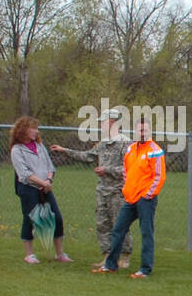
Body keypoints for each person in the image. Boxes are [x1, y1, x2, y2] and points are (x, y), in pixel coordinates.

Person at [50, 107, 133, 268]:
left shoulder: (126, 143)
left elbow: (128, 169)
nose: (101, 125)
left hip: (118, 191)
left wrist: (106, 170)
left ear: (112, 122)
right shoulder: (103, 144)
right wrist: (64, 151)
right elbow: (87, 156)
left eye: (103, 122)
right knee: (102, 223)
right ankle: (107, 256)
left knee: (120, 224)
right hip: (102, 191)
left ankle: (124, 257)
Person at [92, 118, 166, 278]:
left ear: (150, 131)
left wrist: (147, 194)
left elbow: (159, 177)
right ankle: (110, 265)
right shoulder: (131, 149)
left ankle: (145, 270)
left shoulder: (155, 150)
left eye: (145, 130)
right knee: (118, 230)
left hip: (146, 199)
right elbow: (126, 171)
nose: (142, 133)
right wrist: (127, 189)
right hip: (130, 198)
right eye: (139, 130)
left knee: (146, 233)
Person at [9, 116, 72, 264]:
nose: (36, 131)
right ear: (24, 130)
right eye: (33, 128)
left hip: (45, 187)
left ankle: (60, 253)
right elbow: (24, 174)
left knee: (57, 218)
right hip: (29, 189)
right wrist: (42, 183)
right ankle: (29, 254)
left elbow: (50, 167)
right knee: (30, 219)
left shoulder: (39, 146)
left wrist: (48, 181)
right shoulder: (17, 150)